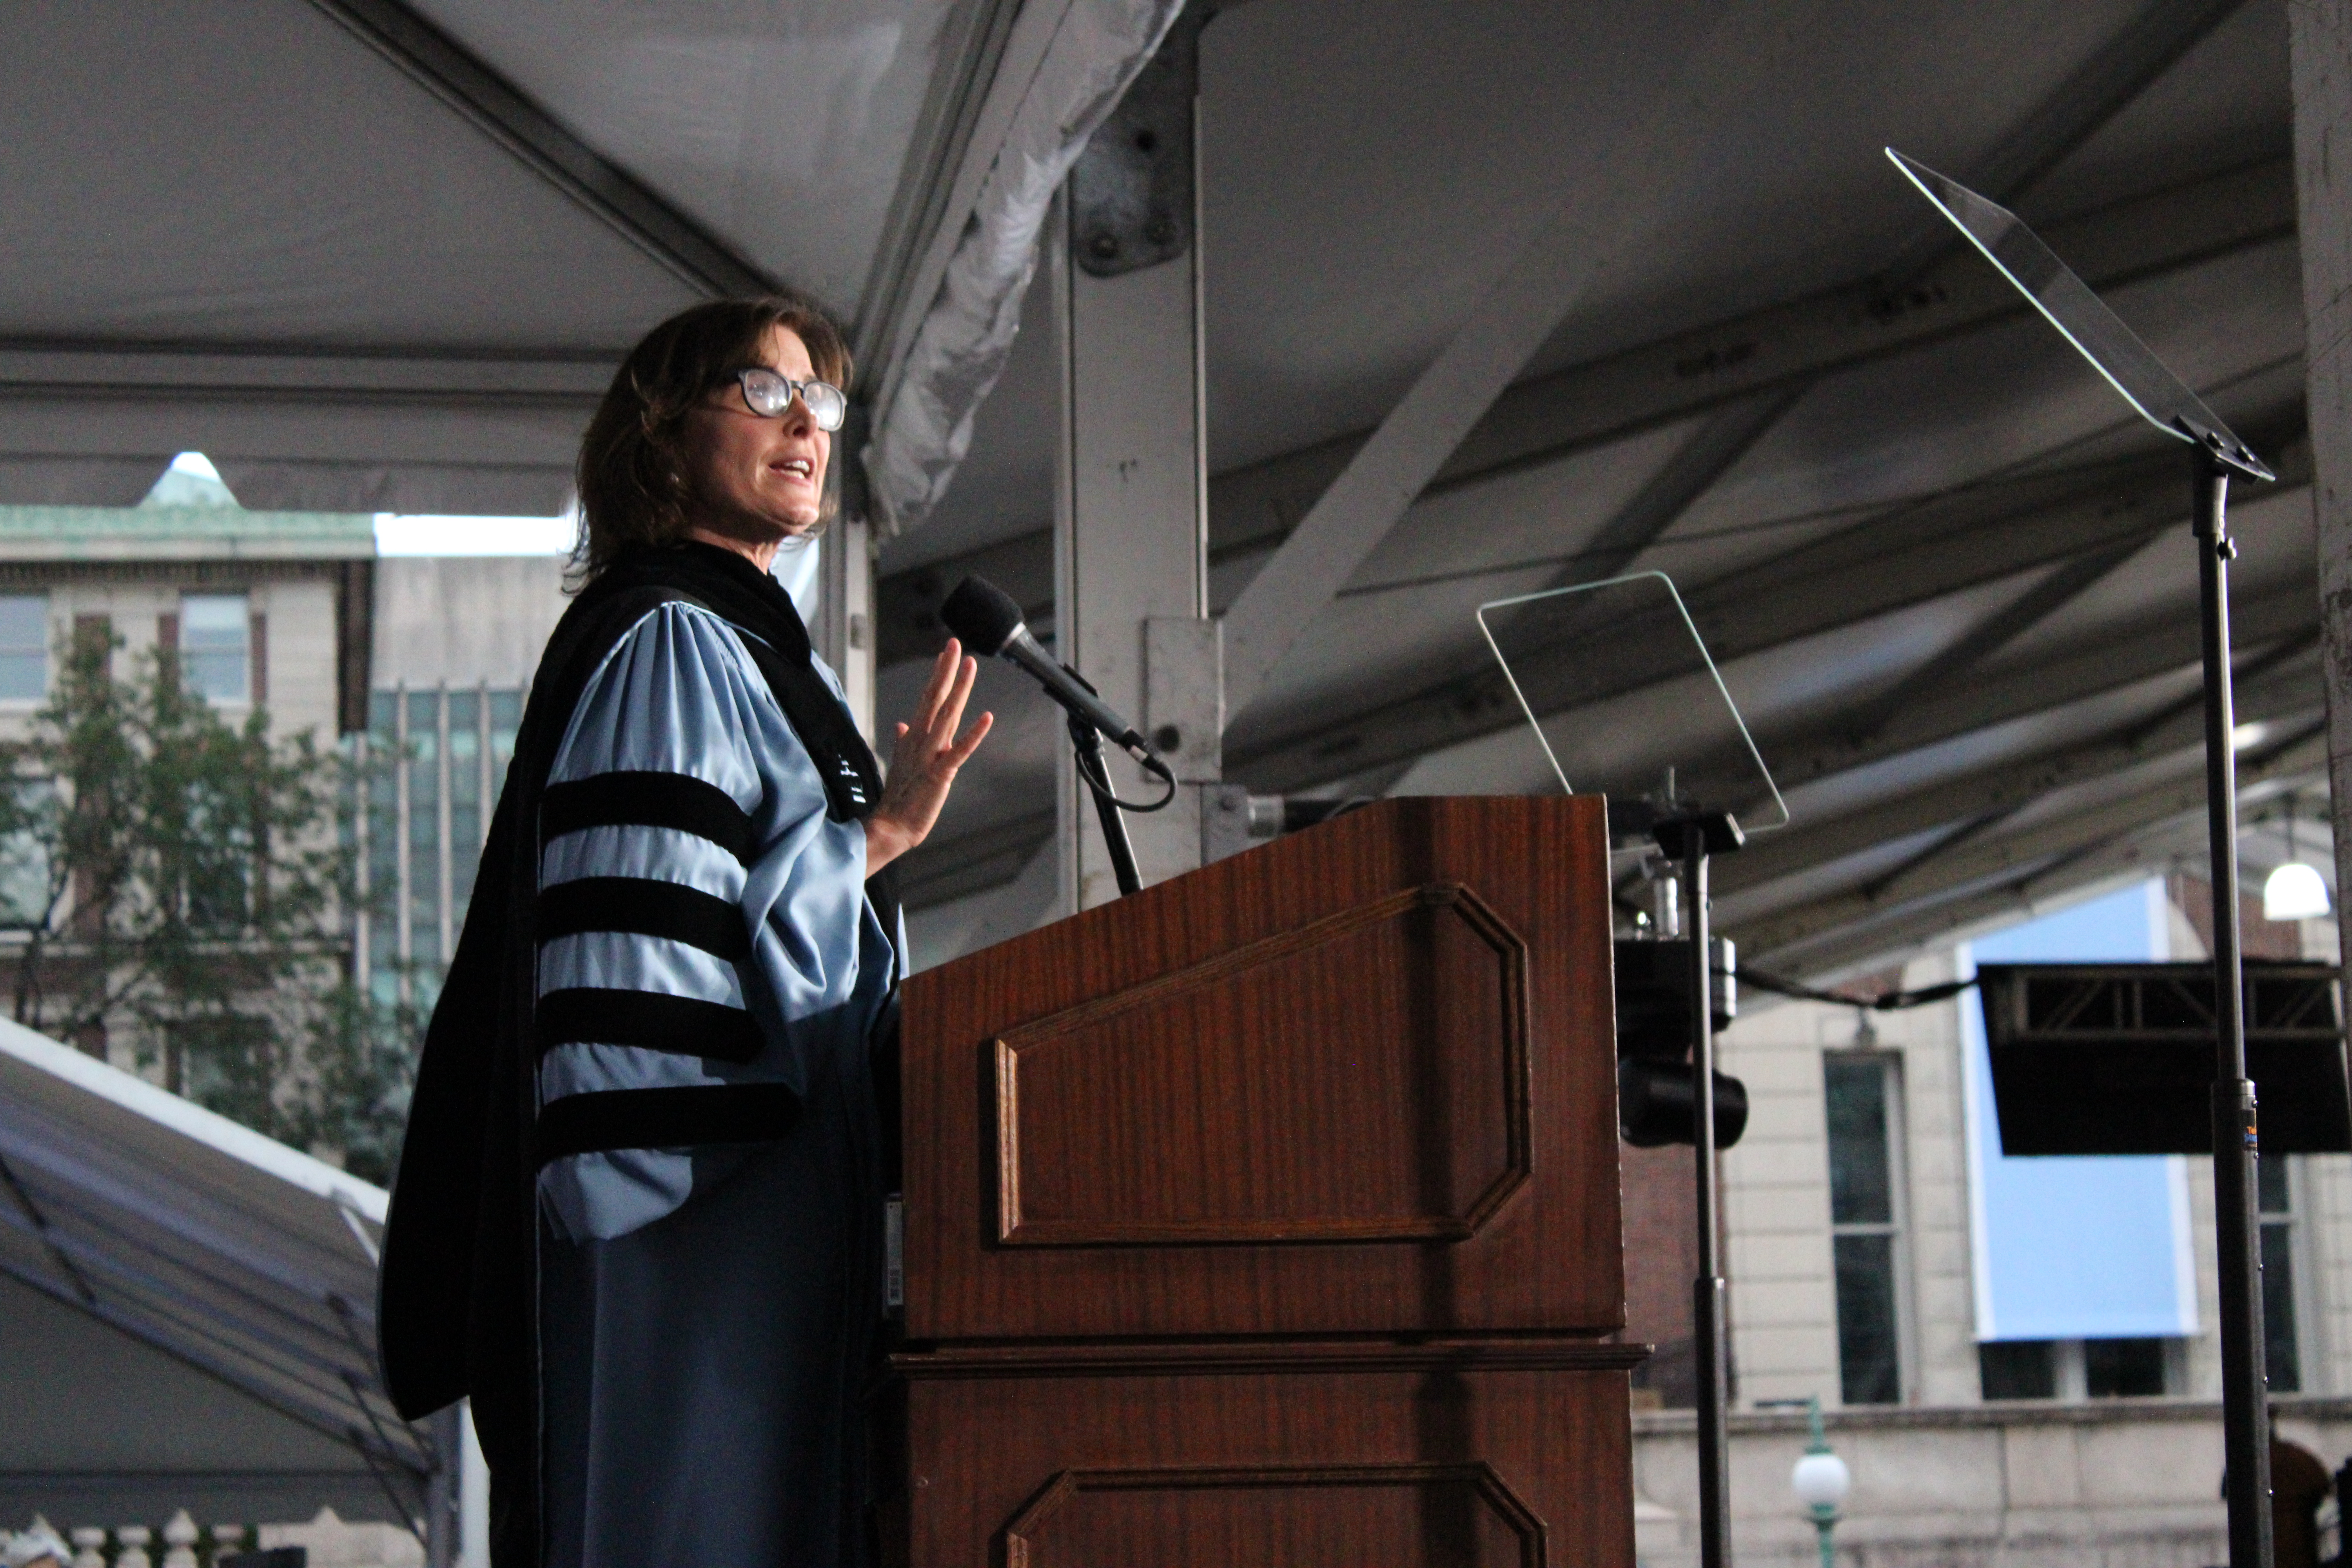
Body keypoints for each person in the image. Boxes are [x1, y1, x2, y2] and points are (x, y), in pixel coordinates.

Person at [376, 296, 991, 1568]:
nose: (806, 427)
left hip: (775, 1211)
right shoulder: (668, 640)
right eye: (763, 395)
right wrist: (877, 844)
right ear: (662, 434)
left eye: (821, 402)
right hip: (692, 1227)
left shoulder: (773, 656)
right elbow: (646, 966)